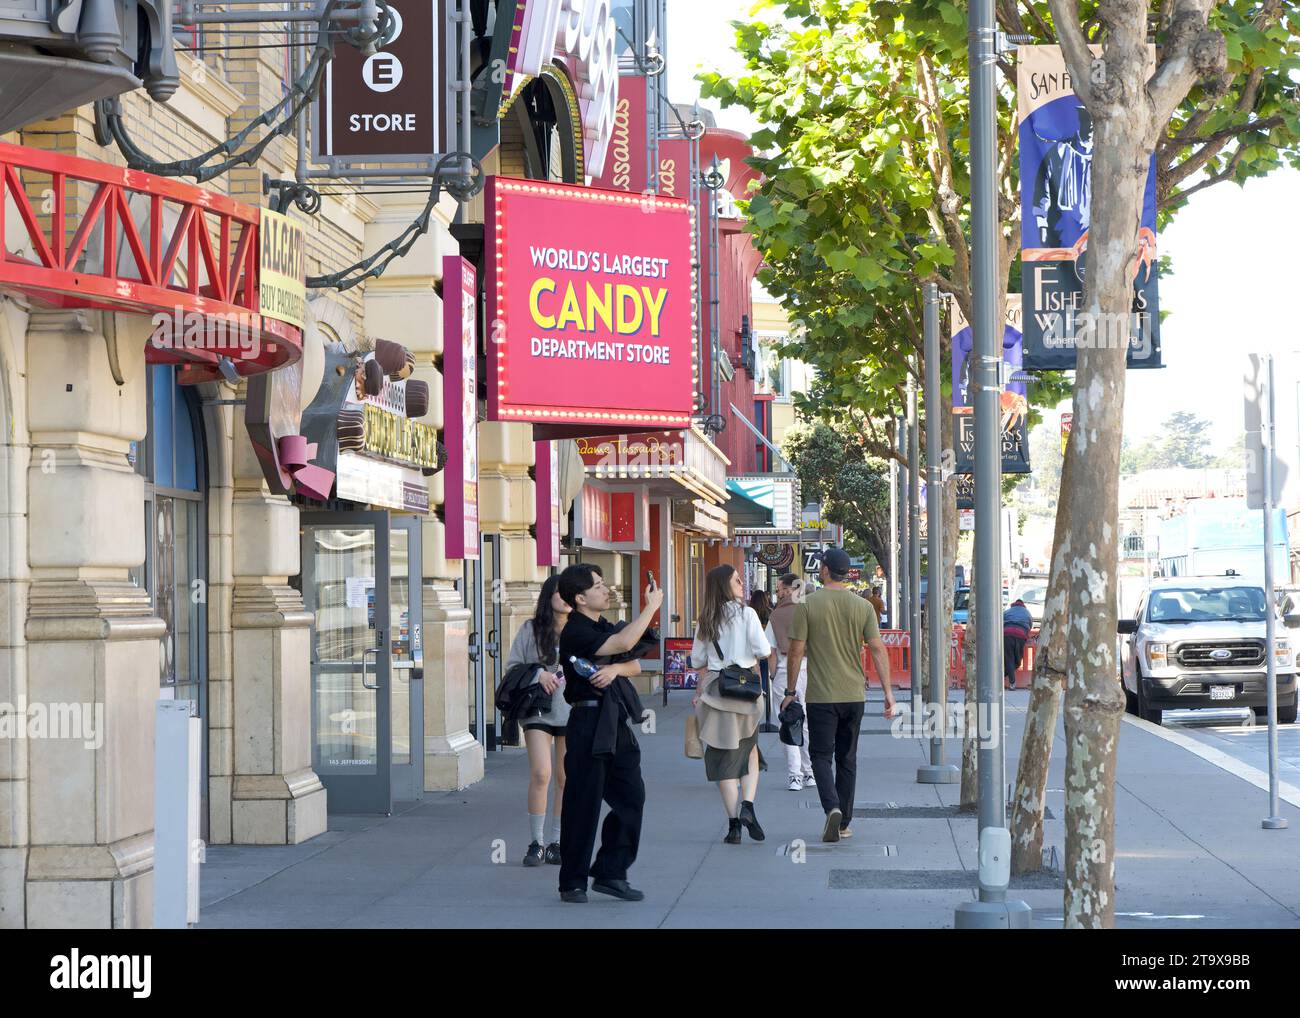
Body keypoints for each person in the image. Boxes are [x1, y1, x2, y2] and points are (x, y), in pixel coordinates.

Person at [556, 563, 663, 904]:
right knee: (582, 804)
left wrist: (616, 667)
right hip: (588, 723)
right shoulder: (574, 632)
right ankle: (572, 881)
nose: (606, 590)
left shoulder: (599, 624)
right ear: (580, 597)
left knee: (632, 798)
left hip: (615, 722)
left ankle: (611, 872)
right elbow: (624, 640)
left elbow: (634, 659)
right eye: (599, 585)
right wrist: (650, 607)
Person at [784, 547, 896, 843]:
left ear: (824, 570)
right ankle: (844, 822)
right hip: (853, 695)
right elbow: (877, 648)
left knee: (821, 756)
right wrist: (888, 693)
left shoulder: (807, 604)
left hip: (821, 696)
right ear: (846, 573)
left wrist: (790, 690)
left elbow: (796, 651)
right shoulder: (863, 607)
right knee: (848, 758)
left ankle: (831, 807)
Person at [692, 564, 772, 844]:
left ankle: (733, 825)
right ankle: (748, 806)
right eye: (738, 581)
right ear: (726, 586)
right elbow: (763, 650)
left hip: (717, 689)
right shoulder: (747, 614)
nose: (742, 584)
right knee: (749, 749)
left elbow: (695, 660)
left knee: (723, 758)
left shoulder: (706, 619)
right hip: (747, 688)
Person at [503, 575, 570, 868]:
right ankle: (536, 843)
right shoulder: (531, 629)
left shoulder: (582, 629)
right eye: (559, 593)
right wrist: (538, 674)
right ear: (548, 596)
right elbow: (513, 666)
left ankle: (557, 842)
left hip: (571, 710)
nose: (565, 598)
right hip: (538, 709)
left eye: (570, 593)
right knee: (542, 773)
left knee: (565, 777)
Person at [766, 573, 814, 790]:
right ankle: (810, 772)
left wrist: (773, 676)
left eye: (779, 589)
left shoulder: (776, 616)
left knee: (787, 721)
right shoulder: (810, 610)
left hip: (786, 674)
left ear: (788, 590)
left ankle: (795, 775)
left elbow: (771, 652)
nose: (778, 593)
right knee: (805, 723)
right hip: (810, 672)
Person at [1003, 597, 1033, 690]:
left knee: (1009, 658)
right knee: (1017, 661)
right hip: (1021, 635)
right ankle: (1010, 681)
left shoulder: (1007, 611)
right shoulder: (1027, 612)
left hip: (1007, 634)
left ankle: (1006, 679)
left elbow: (999, 621)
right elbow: (1030, 624)